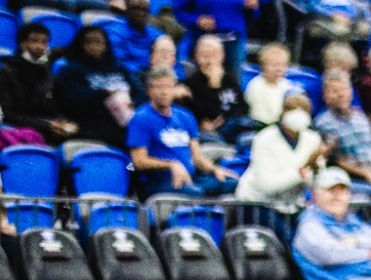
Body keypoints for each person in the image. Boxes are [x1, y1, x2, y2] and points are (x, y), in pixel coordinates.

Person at [128, 67, 236, 198]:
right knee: (194, 193)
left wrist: (215, 169)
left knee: (232, 184)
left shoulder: (185, 116)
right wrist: (171, 165)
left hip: (190, 178)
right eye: (159, 87)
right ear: (149, 91)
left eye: (168, 86)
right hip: (157, 182)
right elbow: (139, 161)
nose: (164, 92)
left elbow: (197, 158)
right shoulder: (141, 118)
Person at [235, 90, 327, 210]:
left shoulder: (313, 138)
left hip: (292, 205)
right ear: (283, 112)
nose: (298, 114)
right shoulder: (264, 138)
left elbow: (317, 184)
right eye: (292, 109)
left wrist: (315, 168)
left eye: (304, 110)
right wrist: (304, 169)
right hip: (258, 203)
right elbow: (266, 185)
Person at [0, 22, 77, 144]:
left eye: (44, 42)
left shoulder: (46, 73)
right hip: (19, 128)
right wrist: (47, 125)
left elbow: (53, 108)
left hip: (45, 126)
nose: (40, 46)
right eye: (34, 41)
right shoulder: (7, 72)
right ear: (22, 44)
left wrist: (62, 122)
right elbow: (9, 114)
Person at [317, 69, 371, 192]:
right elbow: (336, 161)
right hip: (352, 178)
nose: (341, 94)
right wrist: (368, 175)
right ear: (326, 97)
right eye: (335, 91)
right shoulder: (323, 124)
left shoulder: (361, 117)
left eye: (344, 89)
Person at [184, 33, 250, 141]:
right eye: (204, 56)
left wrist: (224, 118)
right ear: (196, 57)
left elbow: (243, 108)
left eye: (213, 55)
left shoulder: (229, 79)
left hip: (233, 128)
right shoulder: (192, 83)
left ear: (222, 56)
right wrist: (214, 86)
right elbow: (206, 114)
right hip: (208, 134)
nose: (209, 61)